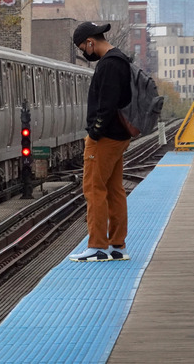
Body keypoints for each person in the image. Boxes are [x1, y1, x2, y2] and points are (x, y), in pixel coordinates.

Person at [69, 22, 132, 262]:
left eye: (83, 47)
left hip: (105, 138)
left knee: (94, 190)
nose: (85, 52)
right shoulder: (121, 60)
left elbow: (106, 105)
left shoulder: (109, 65)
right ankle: (117, 245)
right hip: (119, 136)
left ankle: (97, 246)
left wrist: (94, 133)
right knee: (115, 190)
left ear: (90, 42)